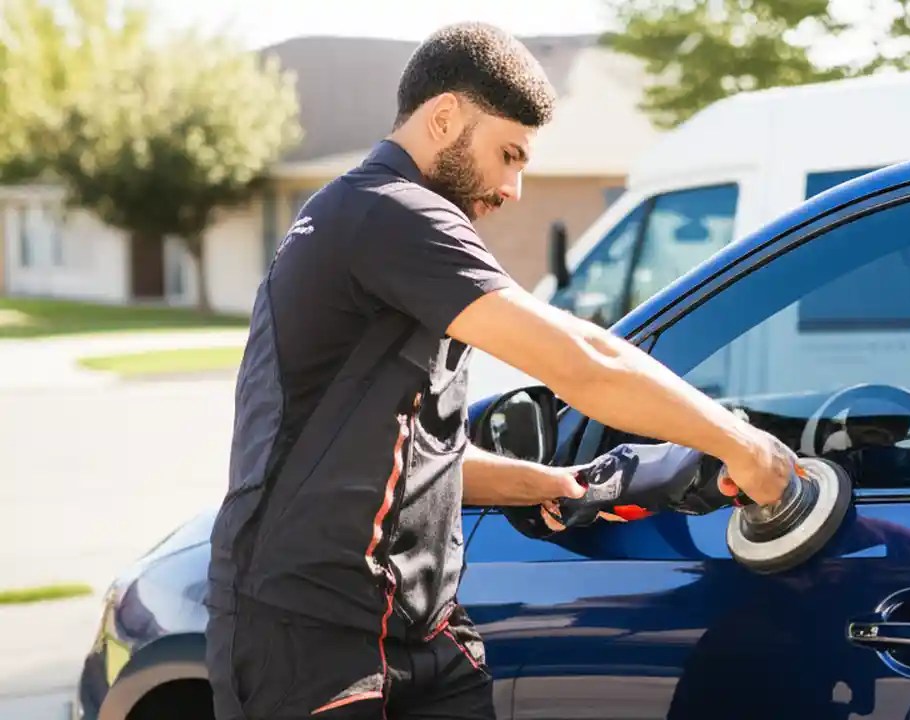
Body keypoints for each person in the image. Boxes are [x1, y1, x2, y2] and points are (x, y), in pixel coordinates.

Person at [204, 21, 796, 720]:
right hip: (311, 638)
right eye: (508, 155)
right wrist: (743, 444)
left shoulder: (375, 224)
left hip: (418, 629)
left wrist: (546, 483)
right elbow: (584, 361)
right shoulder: (390, 212)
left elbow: (408, 450)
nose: (514, 188)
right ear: (444, 118)